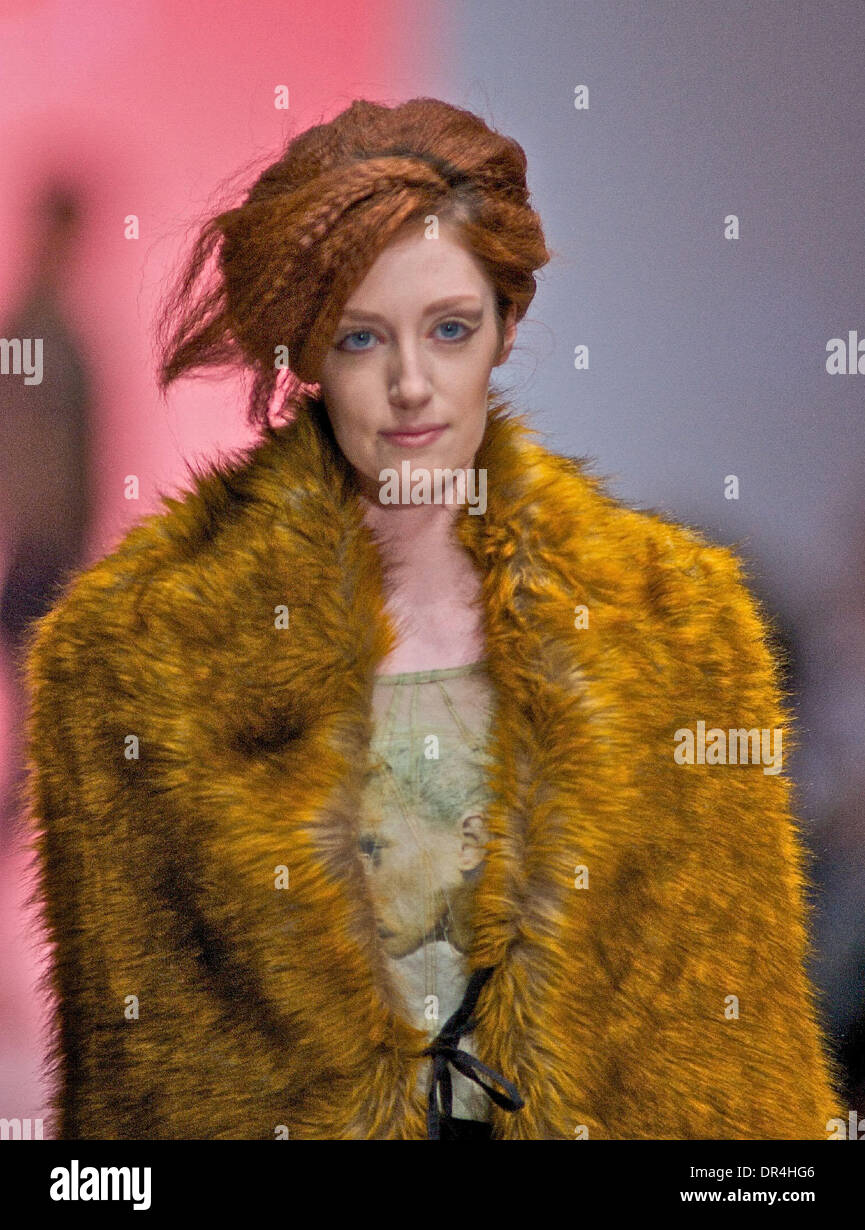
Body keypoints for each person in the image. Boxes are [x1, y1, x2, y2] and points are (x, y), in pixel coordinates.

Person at [22, 97, 843, 1140]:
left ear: (507, 326)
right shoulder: (133, 661)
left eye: (448, 328)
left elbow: (743, 1090)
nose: (411, 385)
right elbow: (124, 1125)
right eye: (361, 337)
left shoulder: (679, 633)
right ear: (301, 355)